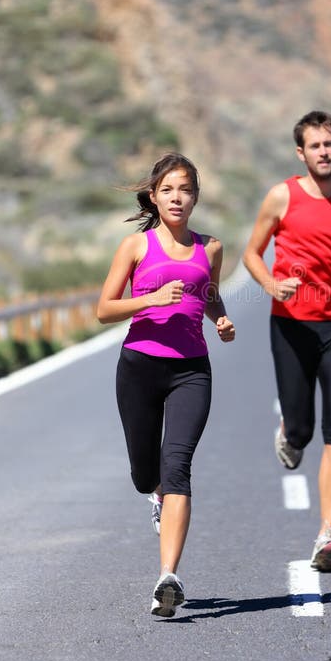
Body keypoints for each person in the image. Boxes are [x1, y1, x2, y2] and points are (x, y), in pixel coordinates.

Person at [243, 110, 331, 571]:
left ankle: (328, 535)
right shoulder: (281, 197)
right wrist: (269, 285)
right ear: (300, 152)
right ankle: (290, 432)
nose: (324, 152)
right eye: (315, 145)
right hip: (291, 325)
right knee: (303, 428)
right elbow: (251, 252)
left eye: (330, 144)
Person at [97, 152, 235, 616]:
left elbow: (208, 296)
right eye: (169, 190)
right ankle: (154, 495)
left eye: (187, 190)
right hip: (139, 367)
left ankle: (167, 578)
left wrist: (221, 318)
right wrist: (150, 299)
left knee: (178, 465)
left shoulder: (210, 248)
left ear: (196, 196)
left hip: (191, 370)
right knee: (145, 474)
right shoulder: (135, 248)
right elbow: (104, 309)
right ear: (154, 197)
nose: (178, 198)